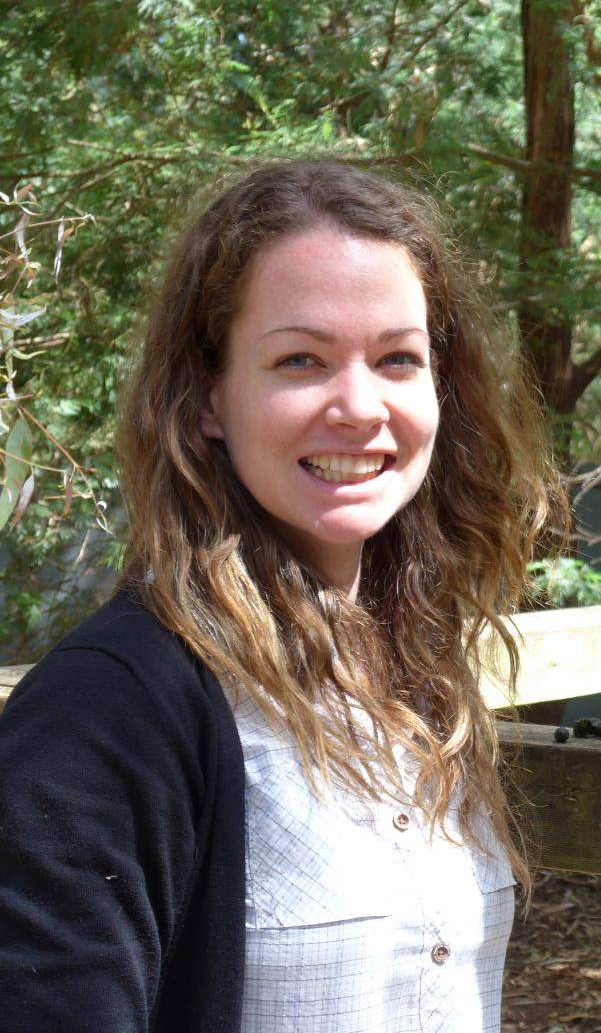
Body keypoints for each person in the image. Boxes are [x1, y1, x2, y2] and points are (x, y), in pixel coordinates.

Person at [0, 160, 558, 1032]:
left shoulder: (416, 677)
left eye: (397, 359)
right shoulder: (106, 713)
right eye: (302, 359)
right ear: (210, 395)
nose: (360, 407)